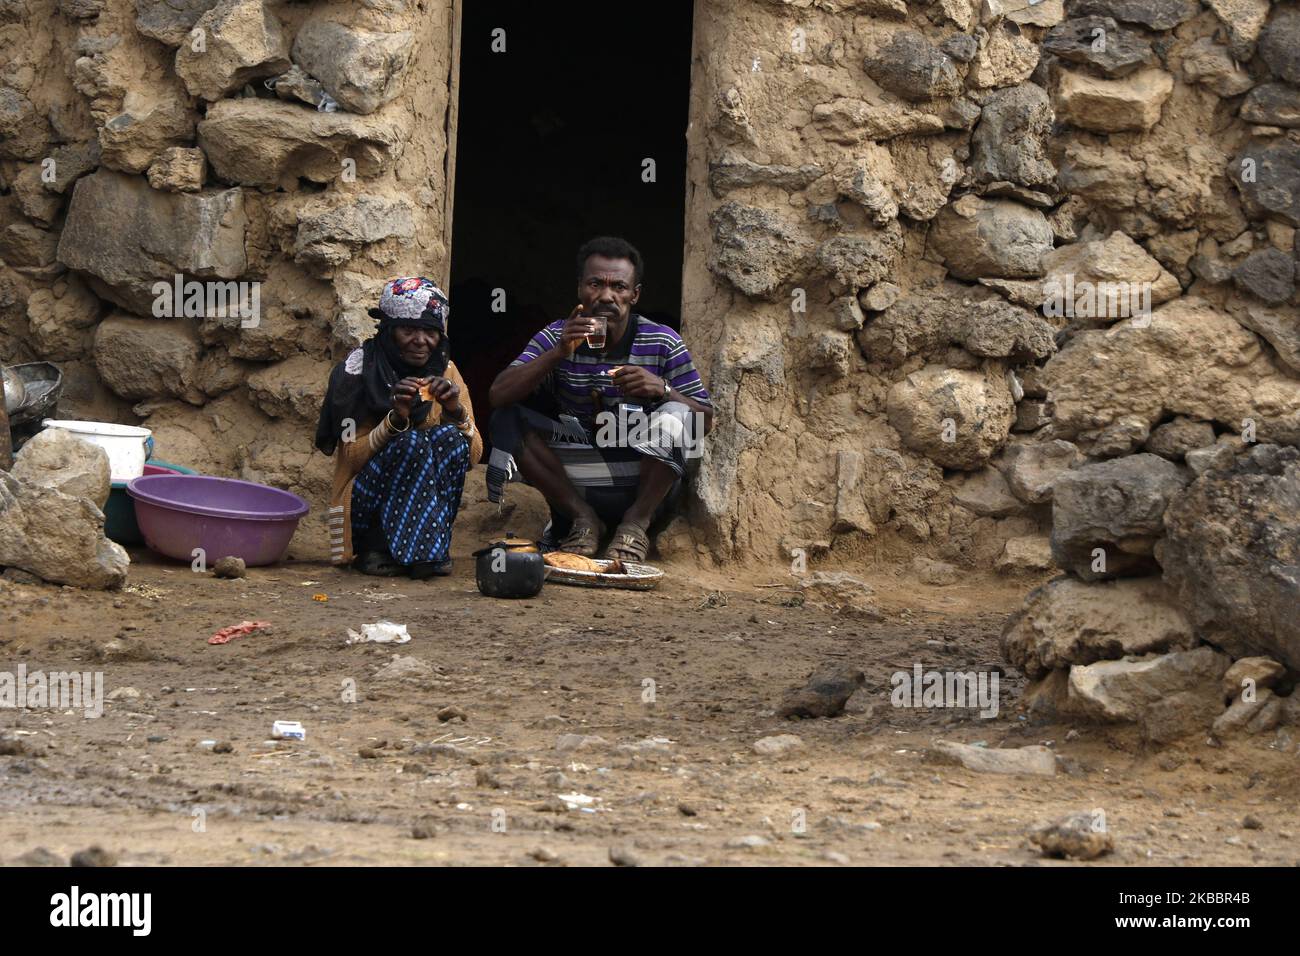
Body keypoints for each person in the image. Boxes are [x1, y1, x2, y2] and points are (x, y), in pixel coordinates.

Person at [487, 237, 713, 561]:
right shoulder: (558, 335)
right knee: (507, 418)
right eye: (595, 283)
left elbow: (703, 422)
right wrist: (557, 354)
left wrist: (662, 389)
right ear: (580, 289)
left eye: (619, 286)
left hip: (643, 482)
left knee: (678, 412)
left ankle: (634, 527)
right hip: (579, 478)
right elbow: (498, 395)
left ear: (634, 295)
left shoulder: (662, 341)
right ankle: (583, 520)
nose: (606, 295)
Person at [315, 277, 482, 578]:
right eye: (408, 331)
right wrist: (395, 419)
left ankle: (428, 552)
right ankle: (377, 548)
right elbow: (352, 457)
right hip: (367, 501)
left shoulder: (446, 370)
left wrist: (456, 411)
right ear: (389, 332)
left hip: (419, 506)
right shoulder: (360, 370)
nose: (421, 341)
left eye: (430, 332)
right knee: (410, 443)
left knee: (450, 439)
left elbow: (472, 457)